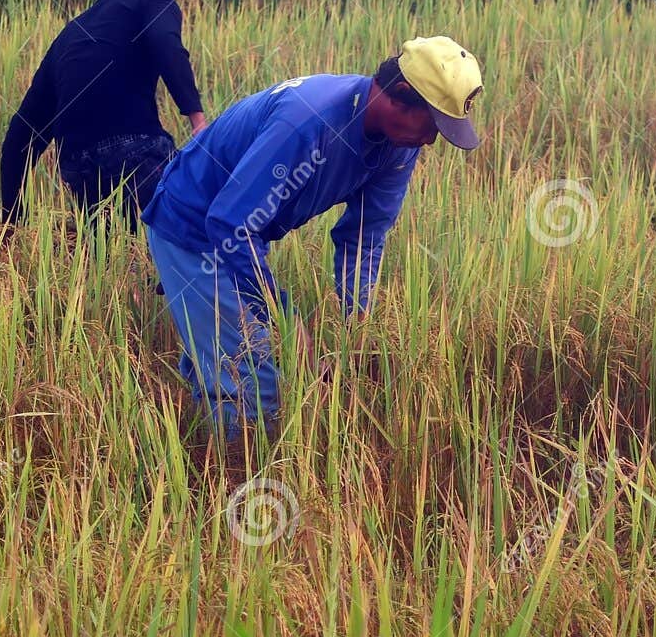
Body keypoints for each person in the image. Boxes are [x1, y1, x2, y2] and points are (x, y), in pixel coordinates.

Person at [144, 36, 483, 437]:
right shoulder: (311, 121)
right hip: (194, 226)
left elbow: (364, 234)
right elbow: (231, 224)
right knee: (254, 378)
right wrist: (286, 321)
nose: (430, 140)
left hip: (238, 227)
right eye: (431, 125)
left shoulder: (399, 147)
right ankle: (231, 479)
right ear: (401, 94)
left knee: (225, 360)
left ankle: (201, 451)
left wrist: (356, 319)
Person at [0, 0, 207, 230]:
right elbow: (167, 44)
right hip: (135, 153)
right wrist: (198, 122)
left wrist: (10, 226)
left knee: (109, 263)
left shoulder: (72, 33)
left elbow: (21, 136)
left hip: (77, 169)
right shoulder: (152, 2)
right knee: (201, 231)